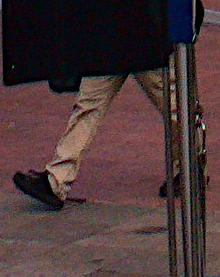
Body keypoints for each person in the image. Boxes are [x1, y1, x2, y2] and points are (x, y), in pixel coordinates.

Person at [11, 57, 172, 211]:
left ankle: (191, 162)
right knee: (88, 105)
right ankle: (56, 180)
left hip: (142, 42)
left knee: (173, 104)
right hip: (113, 41)